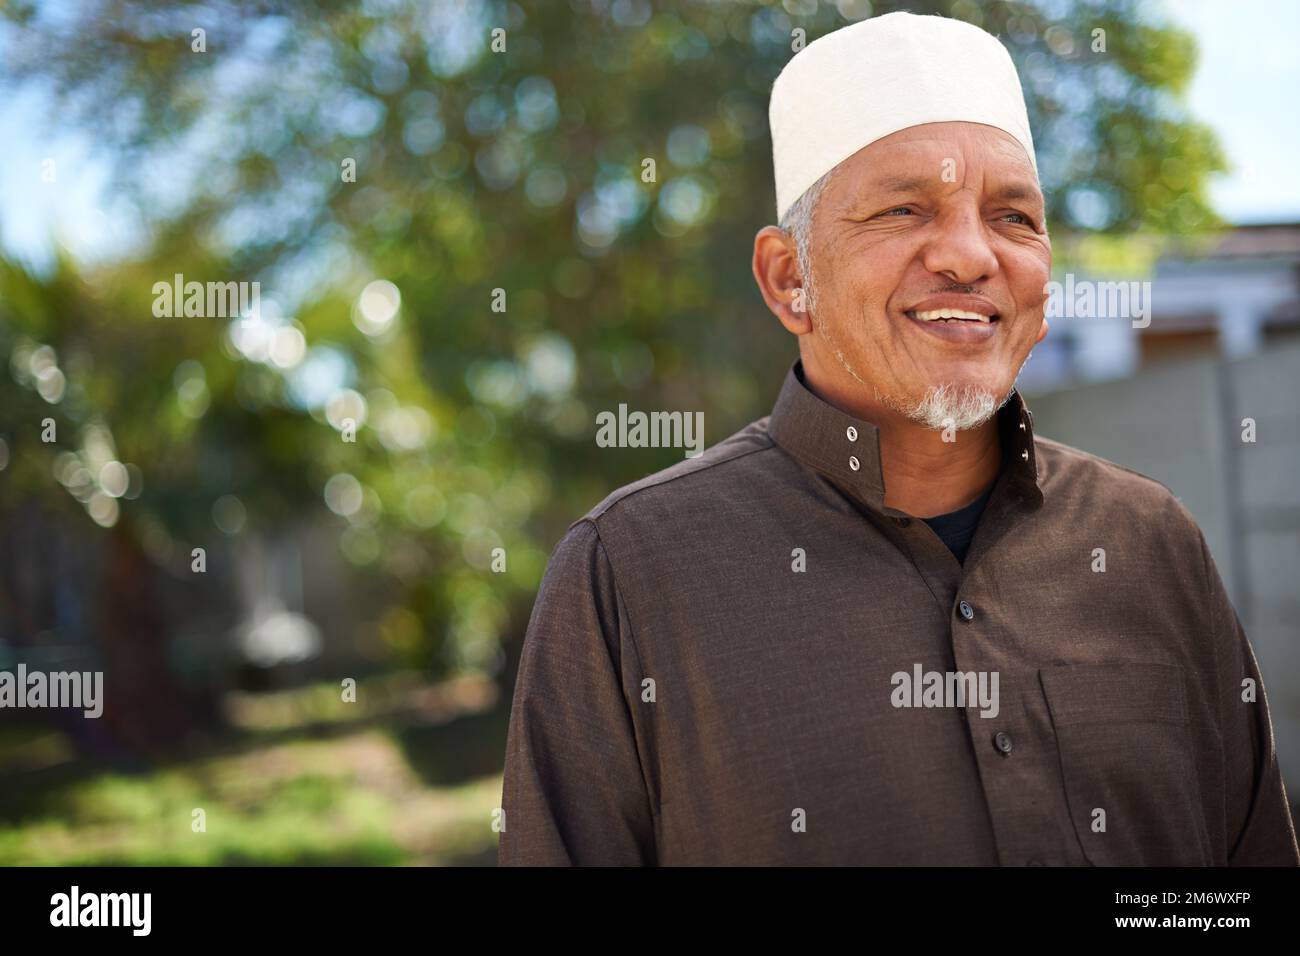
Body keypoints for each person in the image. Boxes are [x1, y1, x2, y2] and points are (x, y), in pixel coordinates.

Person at [497, 11, 1300, 866]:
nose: (968, 256)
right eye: (904, 208)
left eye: (1014, 216)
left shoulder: (1149, 544)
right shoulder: (630, 573)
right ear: (789, 277)